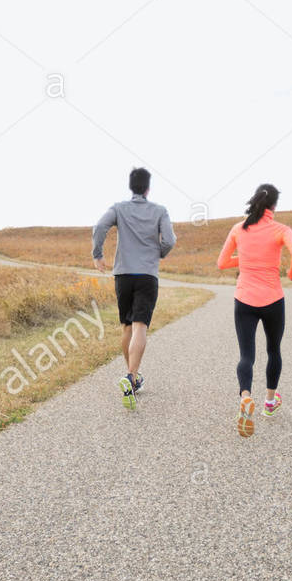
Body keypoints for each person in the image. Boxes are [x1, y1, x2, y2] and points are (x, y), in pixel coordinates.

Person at [217, 183, 292, 437]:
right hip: (273, 299)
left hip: (244, 300)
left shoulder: (238, 229)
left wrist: (246, 259)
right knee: (273, 350)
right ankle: (269, 402)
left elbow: (222, 263)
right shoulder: (281, 230)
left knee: (246, 355)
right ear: (274, 206)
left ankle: (245, 396)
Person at [92, 167, 176, 410]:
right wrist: (158, 252)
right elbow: (170, 240)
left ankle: (132, 378)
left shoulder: (118, 208)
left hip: (123, 275)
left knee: (127, 325)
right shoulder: (160, 211)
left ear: (131, 186)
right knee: (140, 326)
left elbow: (99, 228)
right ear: (148, 188)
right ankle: (131, 376)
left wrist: (97, 255)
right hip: (147, 274)